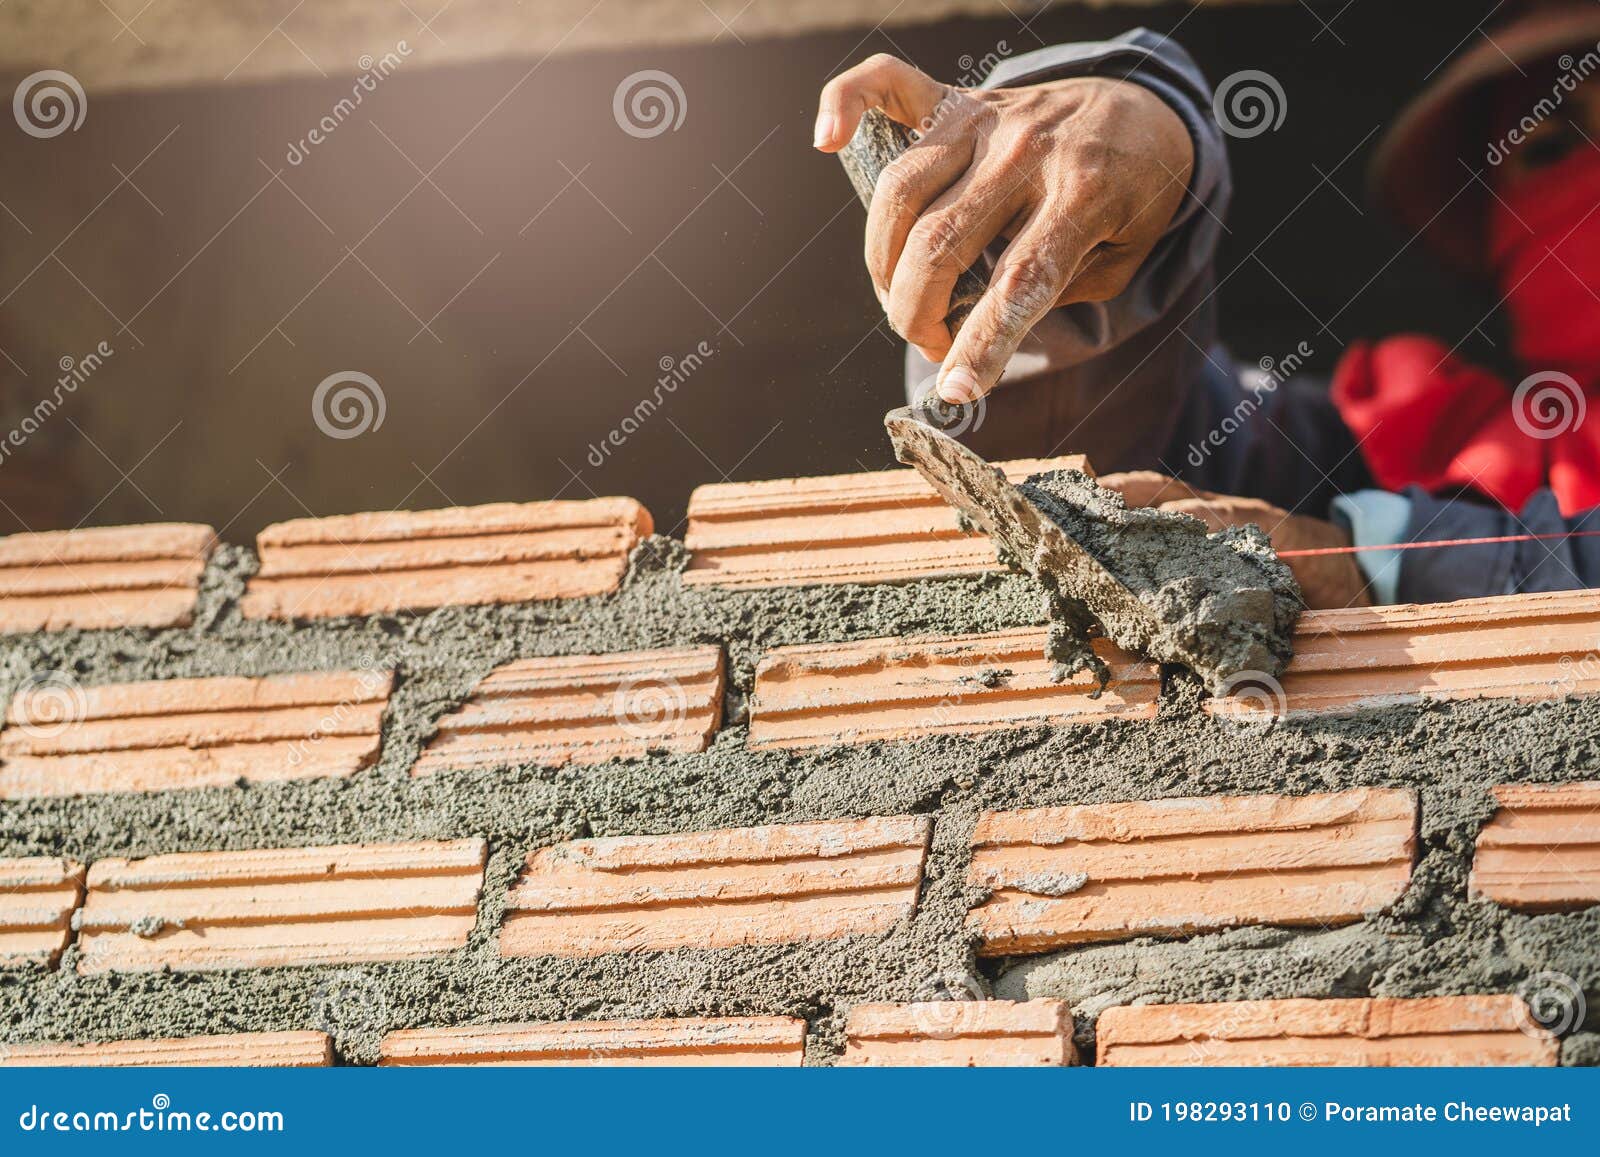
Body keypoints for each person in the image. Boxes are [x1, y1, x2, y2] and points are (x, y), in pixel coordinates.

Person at [813, 2, 1600, 609]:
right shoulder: (1372, 438)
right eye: (1555, 145)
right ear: (1499, 217)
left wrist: (1371, 559)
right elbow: (1076, 466)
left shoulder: (1365, 514)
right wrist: (1144, 138)